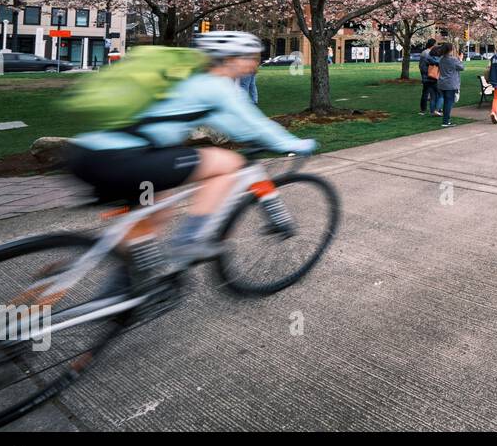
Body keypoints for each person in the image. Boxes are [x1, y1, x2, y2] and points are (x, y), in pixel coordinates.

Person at [63, 31, 316, 293]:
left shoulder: (184, 79)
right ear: (230, 59)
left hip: (89, 155)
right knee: (228, 163)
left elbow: (234, 127)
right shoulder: (216, 86)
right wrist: (295, 144)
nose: (254, 64)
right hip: (125, 159)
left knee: (156, 208)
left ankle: (125, 290)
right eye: (250, 57)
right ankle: (189, 240)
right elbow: (253, 127)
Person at [434, 42, 464, 128]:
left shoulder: (441, 59)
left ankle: (446, 120)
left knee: (447, 102)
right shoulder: (453, 60)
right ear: (450, 50)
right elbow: (462, 67)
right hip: (450, 84)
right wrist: (460, 59)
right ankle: (446, 121)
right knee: (448, 103)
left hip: (442, 83)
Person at [417, 38, 438, 115]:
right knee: (433, 93)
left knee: (425, 93)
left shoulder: (423, 52)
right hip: (430, 75)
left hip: (424, 75)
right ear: (433, 45)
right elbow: (434, 62)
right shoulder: (429, 54)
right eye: (435, 44)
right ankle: (434, 110)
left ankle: (423, 110)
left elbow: (420, 65)